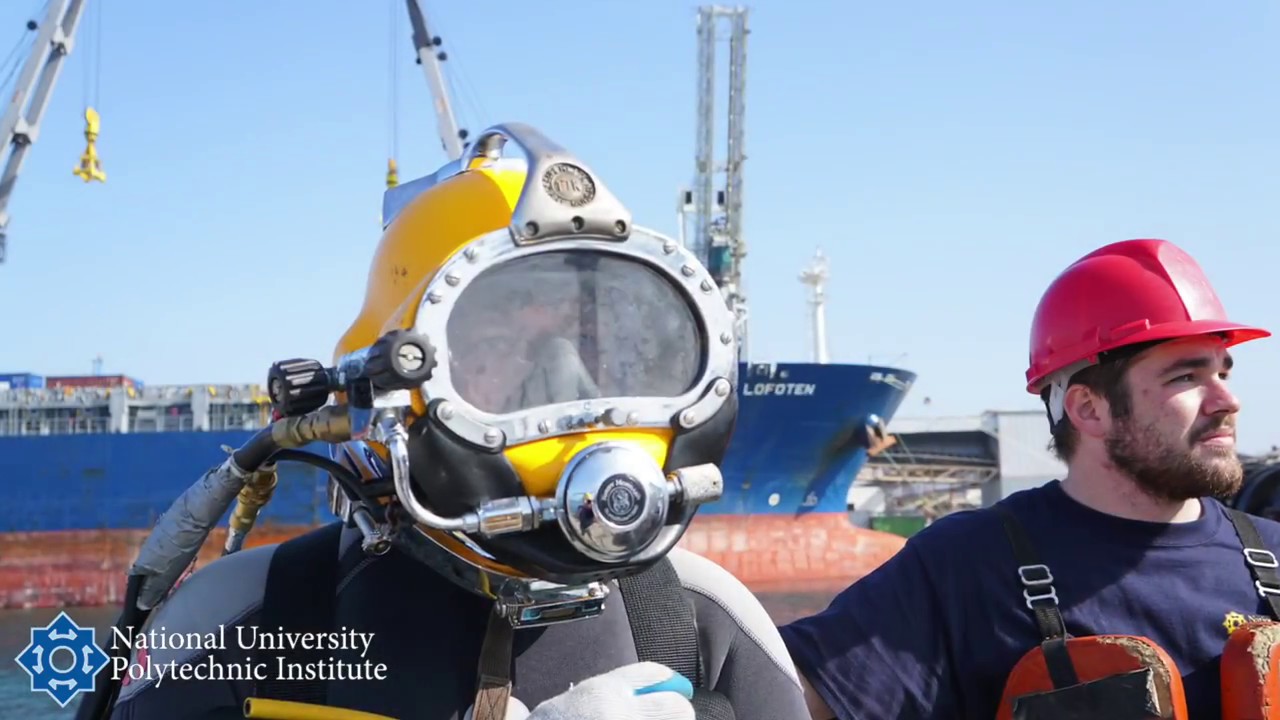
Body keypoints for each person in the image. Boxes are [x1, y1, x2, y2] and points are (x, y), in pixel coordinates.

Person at [95, 124, 808, 720]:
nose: (566, 385)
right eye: (498, 347)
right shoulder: (249, 616)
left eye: (596, 353)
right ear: (384, 387)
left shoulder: (698, 619)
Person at [778, 238, 1280, 720]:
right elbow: (787, 696)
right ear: (1090, 408)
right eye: (1186, 377)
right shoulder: (970, 565)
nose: (1227, 401)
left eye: (1224, 373)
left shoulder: (1274, 555)